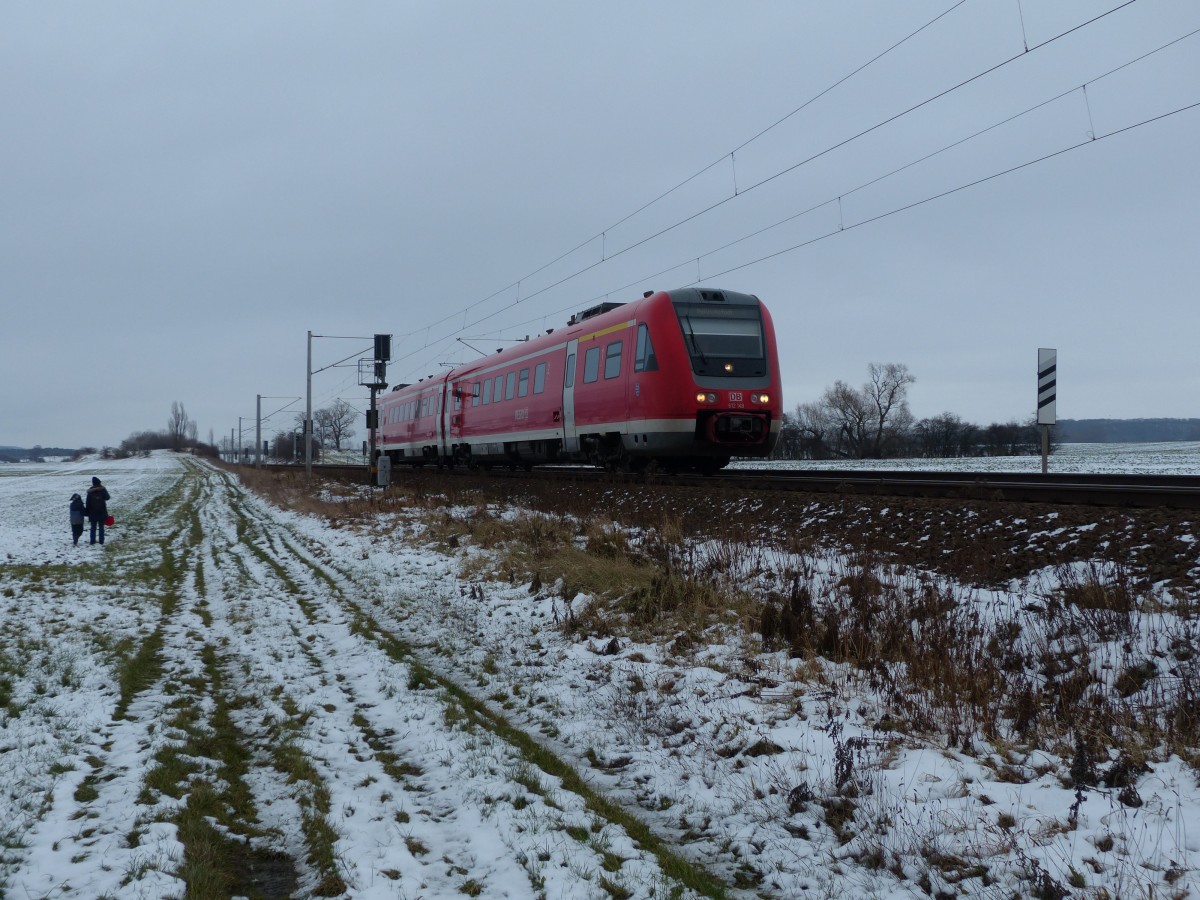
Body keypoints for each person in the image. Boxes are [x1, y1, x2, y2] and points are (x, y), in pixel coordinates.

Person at [85, 476, 111, 545]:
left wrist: (87, 512)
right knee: (101, 527)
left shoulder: (90, 491)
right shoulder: (102, 490)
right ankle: (101, 541)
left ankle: (92, 541)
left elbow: (88, 502)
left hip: (92, 512)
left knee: (93, 527)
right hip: (102, 512)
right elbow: (108, 497)